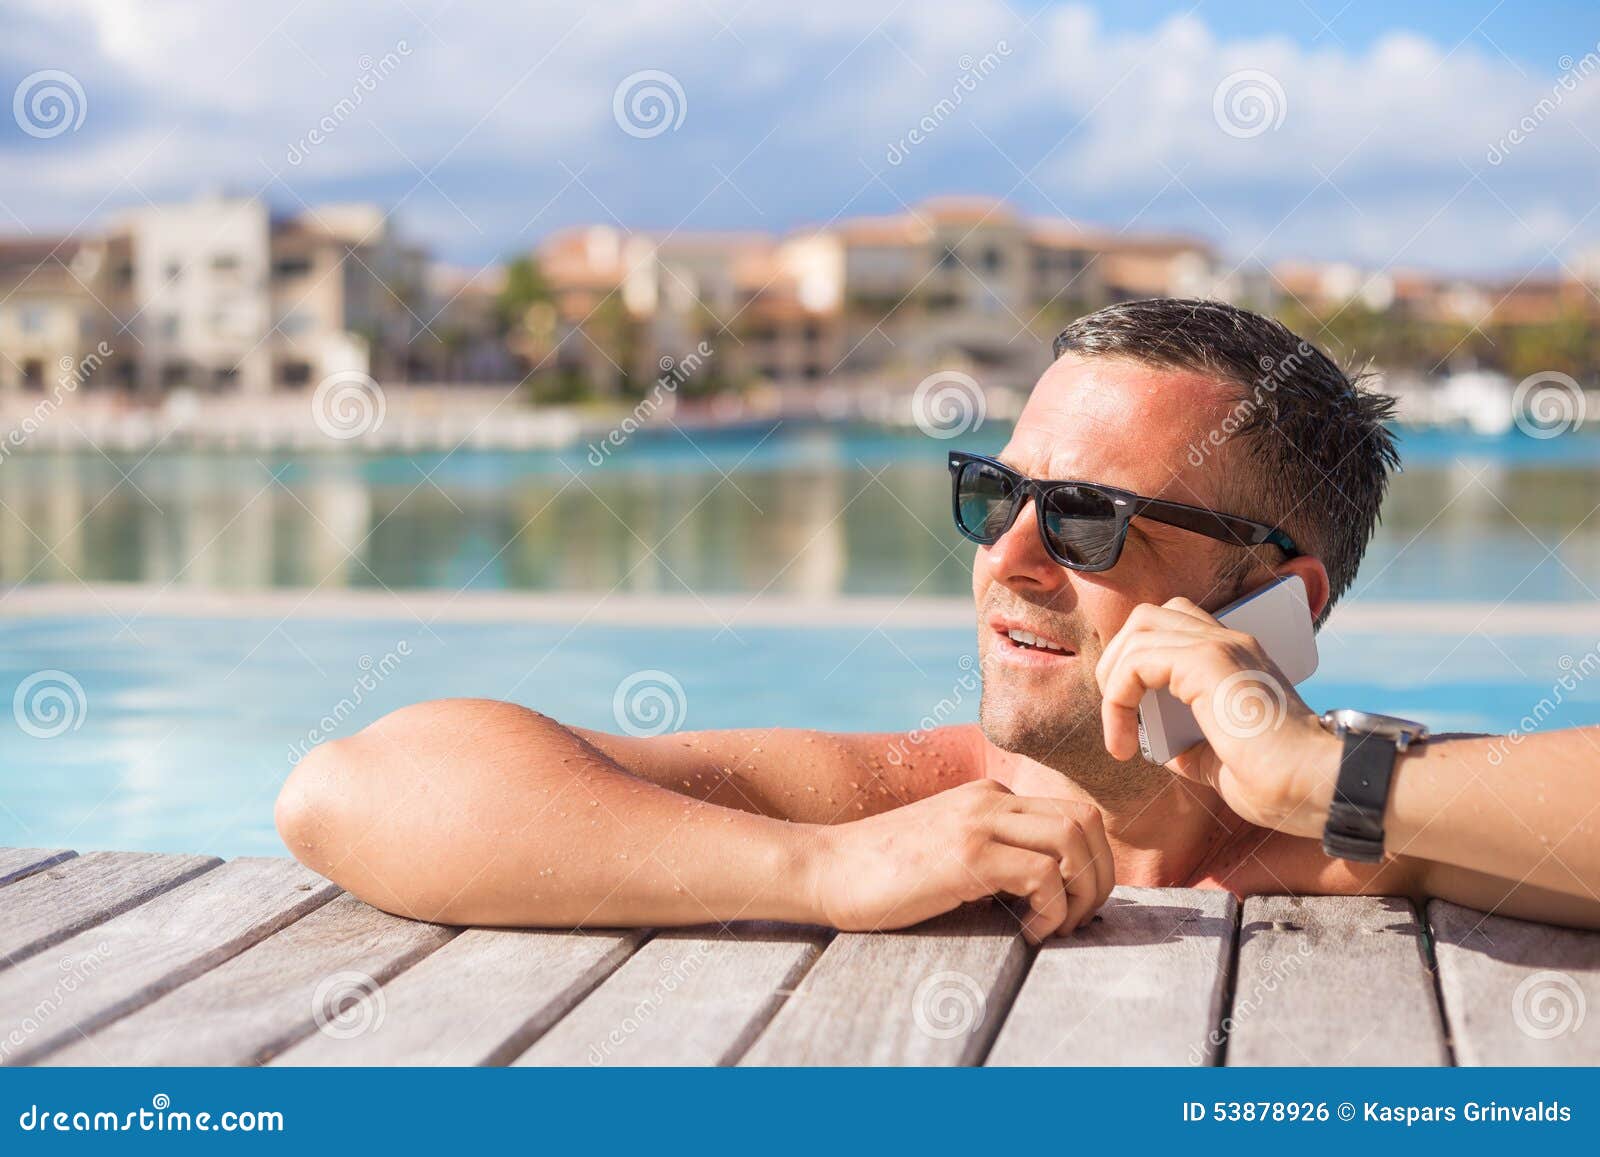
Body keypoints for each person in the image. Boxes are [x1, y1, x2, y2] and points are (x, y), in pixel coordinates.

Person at [274, 299, 1600, 939]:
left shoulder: (1361, 826)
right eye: (994, 494)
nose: (1011, 556)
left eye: (1084, 515)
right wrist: (821, 872)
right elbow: (349, 787)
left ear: (1274, 597)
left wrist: (1317, 772)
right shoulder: (883, 806)